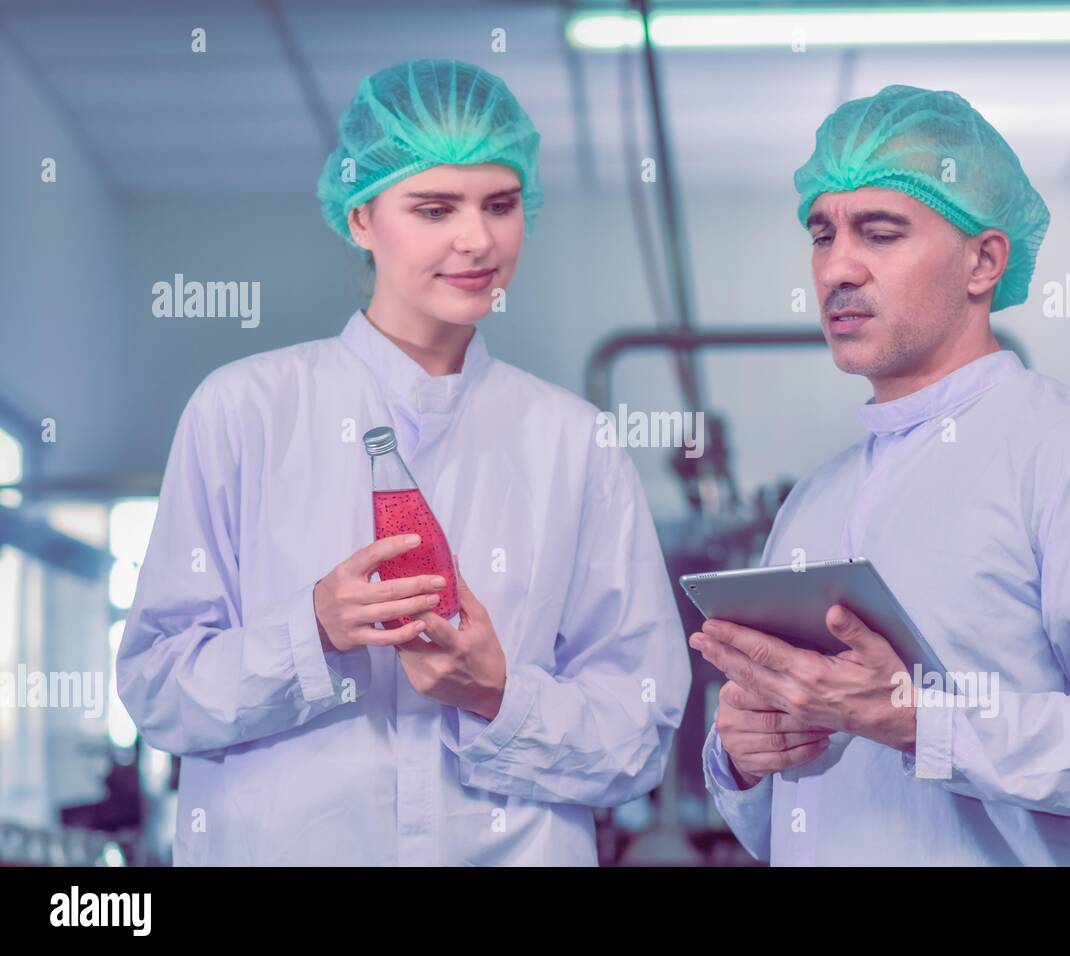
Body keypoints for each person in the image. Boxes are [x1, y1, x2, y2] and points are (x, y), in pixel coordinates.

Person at [116, 58, 690, 866]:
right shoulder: (243, 411)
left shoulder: (575, 443)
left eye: (501, 203)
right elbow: (157, 690)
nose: (476, 239)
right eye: (433, 207)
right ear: (359, 218)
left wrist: (497, 693)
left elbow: (640, 735)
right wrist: (310, 630)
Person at [691, 85, 1070, 865]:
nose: (838, 266)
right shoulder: (814, 500)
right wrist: (745, 756)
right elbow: (789, 827)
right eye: (821, 233)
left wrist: (920, 720)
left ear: (983, 260)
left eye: (880, 232)